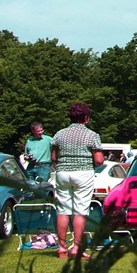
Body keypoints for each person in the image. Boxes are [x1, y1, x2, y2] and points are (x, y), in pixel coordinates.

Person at [51, 103, 103, 259]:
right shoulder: (92, 135)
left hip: (62, 173)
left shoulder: (59, 134)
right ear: (86, 118)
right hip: (83, 173)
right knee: (80, 210)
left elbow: (53, 157)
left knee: (63, 209)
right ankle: (76, 248)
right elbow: (99, 160)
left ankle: (61, 248)